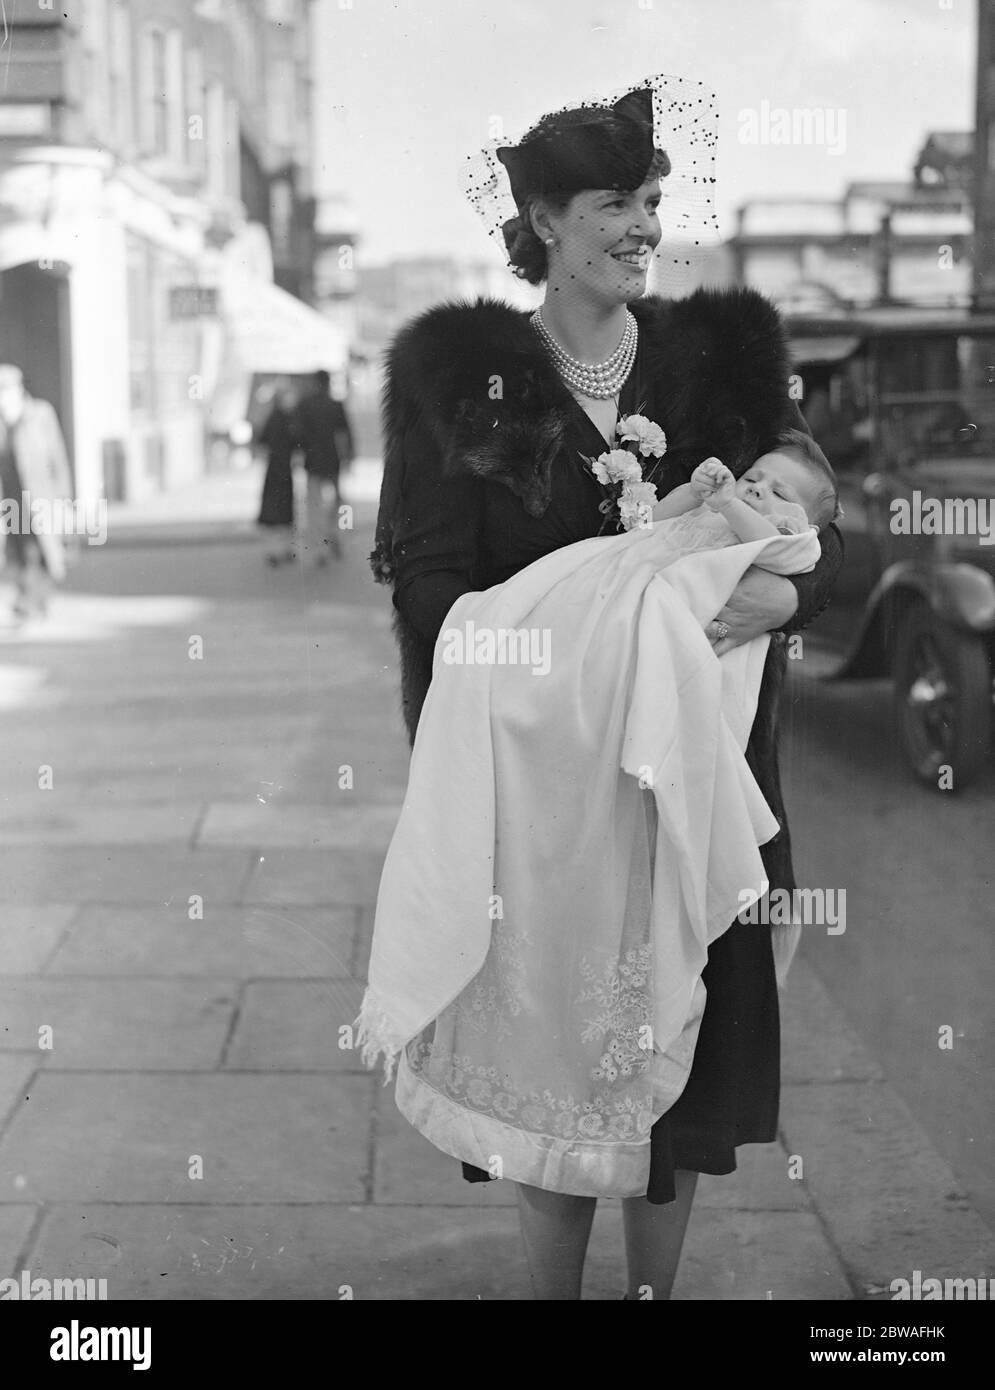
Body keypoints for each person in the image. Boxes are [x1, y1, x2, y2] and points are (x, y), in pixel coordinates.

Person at [365, 75, 845, 1301]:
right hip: (550, 804)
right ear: (539, 218)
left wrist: (784, 594)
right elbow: (428, 596)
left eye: (649, 202)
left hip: (702, 775)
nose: (641, 225)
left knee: (681, 1086)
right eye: (610, 204)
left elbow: (824, 530)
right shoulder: (454, 385)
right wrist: (596, 627)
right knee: (564, 1067)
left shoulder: (723, 362)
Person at [0, 363, 73, 622]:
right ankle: (33, 602)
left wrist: (64, 498)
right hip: (11, 501)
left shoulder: (40, 414)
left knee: (37, 551)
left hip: (41, 498)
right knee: (19, 554)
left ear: (18, 389)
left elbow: (57, 458)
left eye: (5, 389)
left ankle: (28, 602)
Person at [293, 368, 354, 566]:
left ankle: (320, 547)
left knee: (313, 505)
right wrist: (348, 458)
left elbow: (297, 435)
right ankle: (333, 535)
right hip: (332, 461)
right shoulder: (335, 405)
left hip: (312, 462)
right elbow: (345, 434)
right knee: (336, 502)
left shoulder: (305, 405)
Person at [256, 383, 298, 565]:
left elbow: (262, 439)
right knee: (282, 513)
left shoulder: (275, 417)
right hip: (282, 470)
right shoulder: (287, 419)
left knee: (276, 513)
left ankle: (278, 551)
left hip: (275, 469)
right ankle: (282, 550)